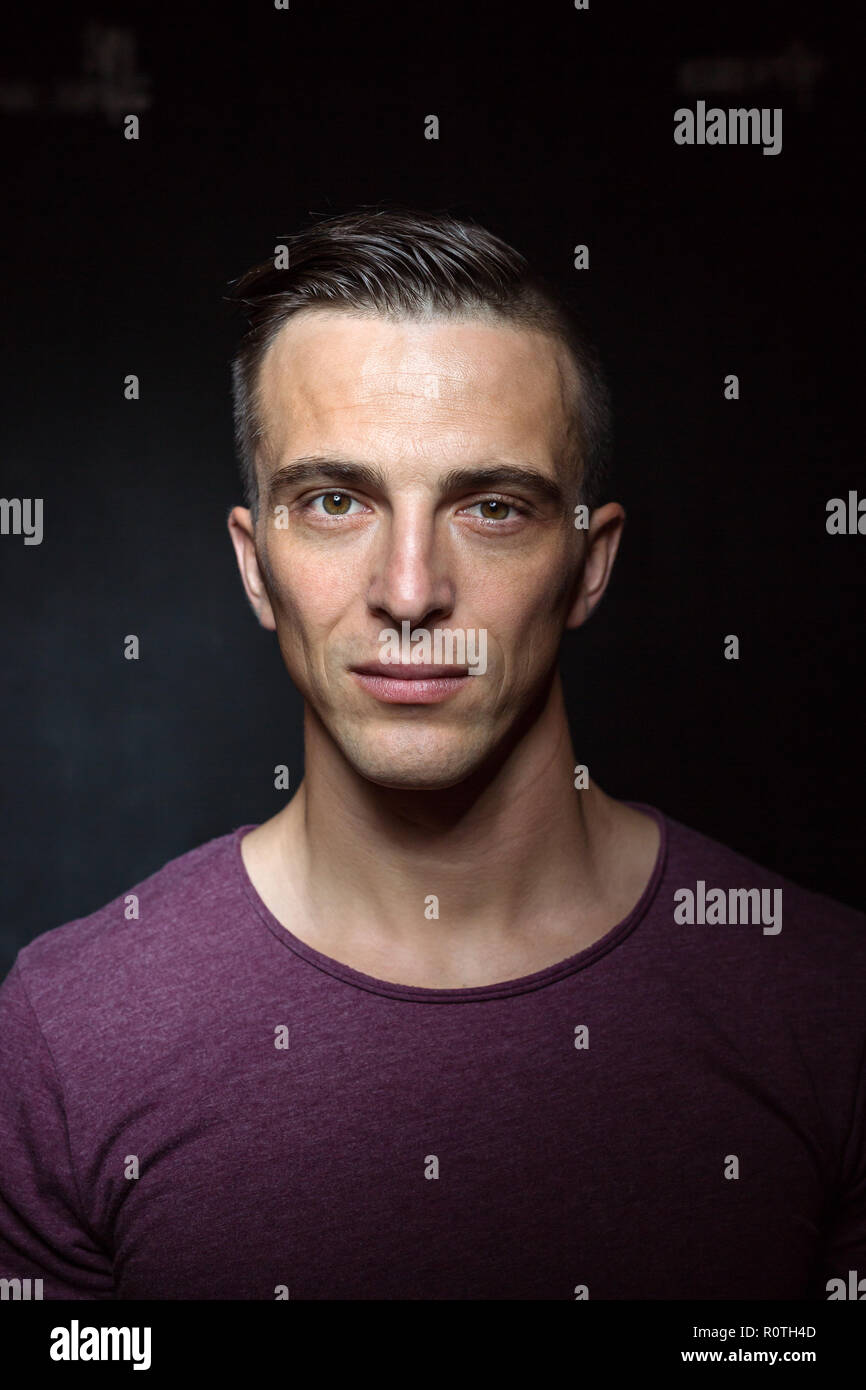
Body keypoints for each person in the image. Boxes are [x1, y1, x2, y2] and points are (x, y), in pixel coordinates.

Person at [1, 208, 863, 1301]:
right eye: (331, 502)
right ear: (255, 563)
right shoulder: (68, 1028)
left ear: (588, 565)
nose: (410, 592)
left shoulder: (828, 1008)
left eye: (491, 508)